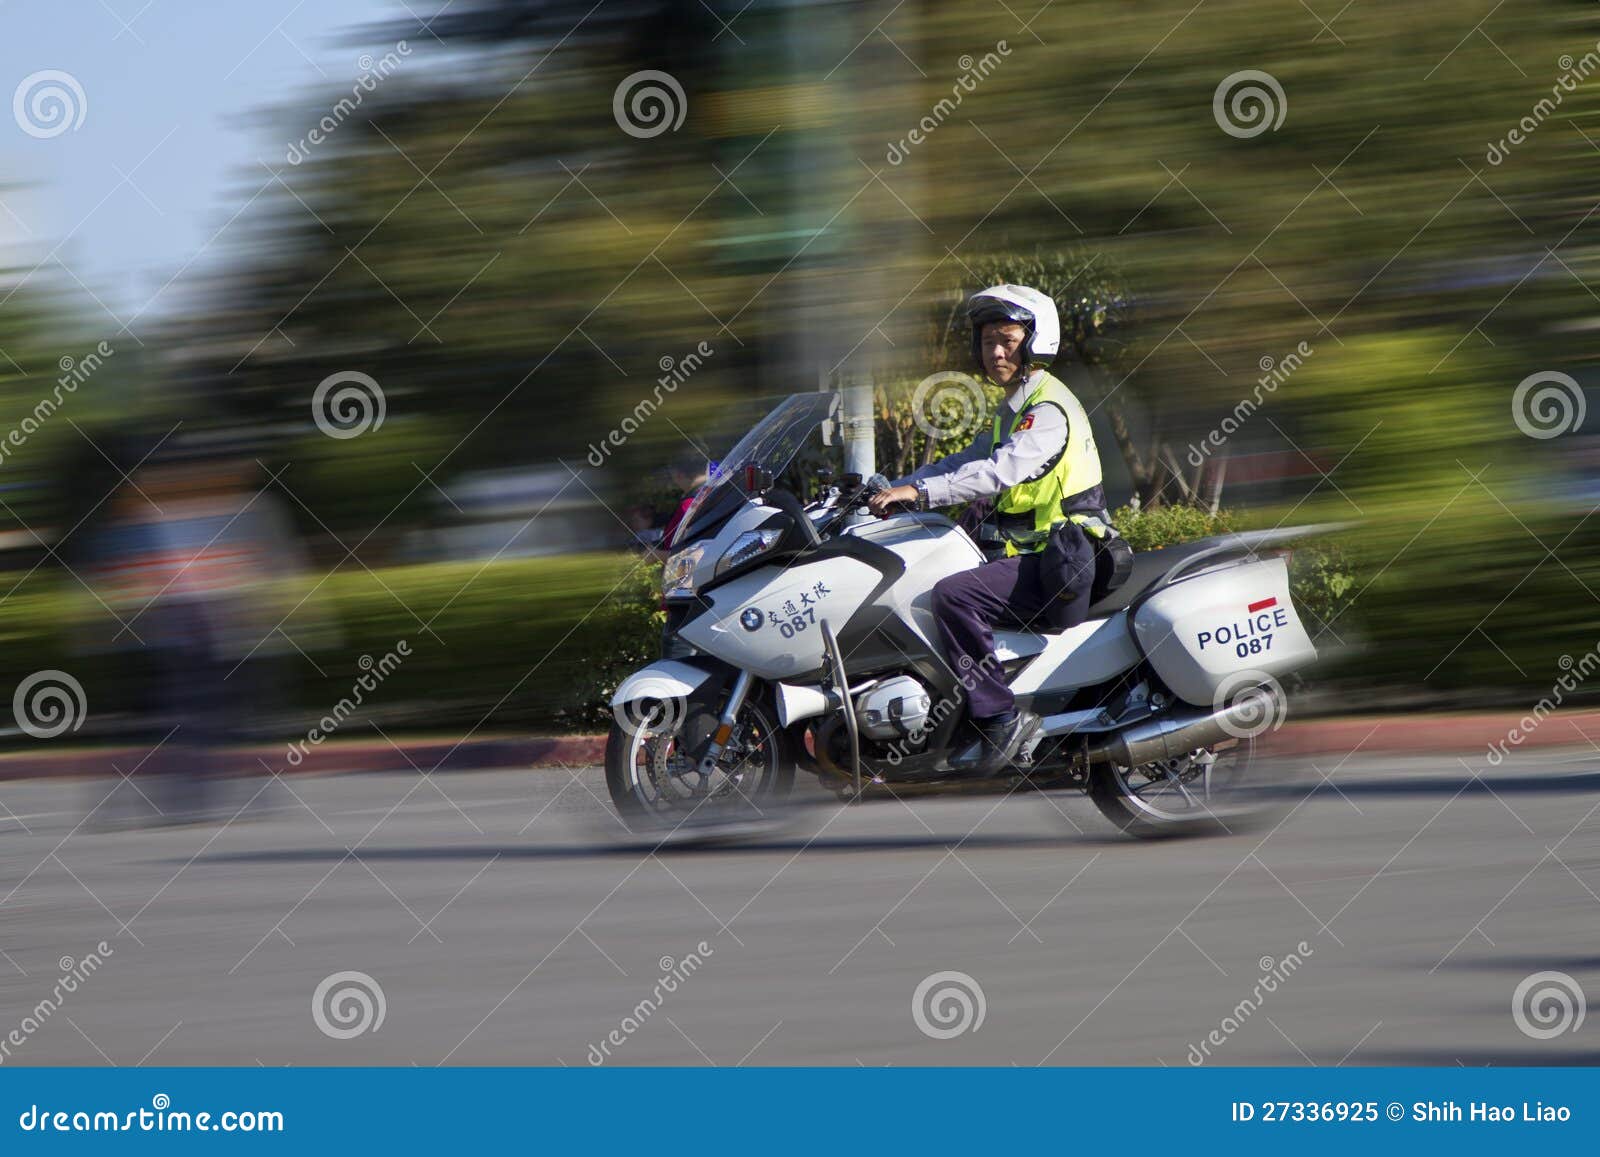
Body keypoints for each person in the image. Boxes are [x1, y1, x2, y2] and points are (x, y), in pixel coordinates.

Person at [867, 284, 1110, 775]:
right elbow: (967, 460)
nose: (996, 352)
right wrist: (895, 486)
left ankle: (999, 718)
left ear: (1035, 342)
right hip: (1035, 556)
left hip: (1062, 561)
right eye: (987, 341)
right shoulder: (1015, 409)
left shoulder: (1047, 410)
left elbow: (997, 473)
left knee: (953, 596)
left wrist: (920, 494)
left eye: (1008, 340)